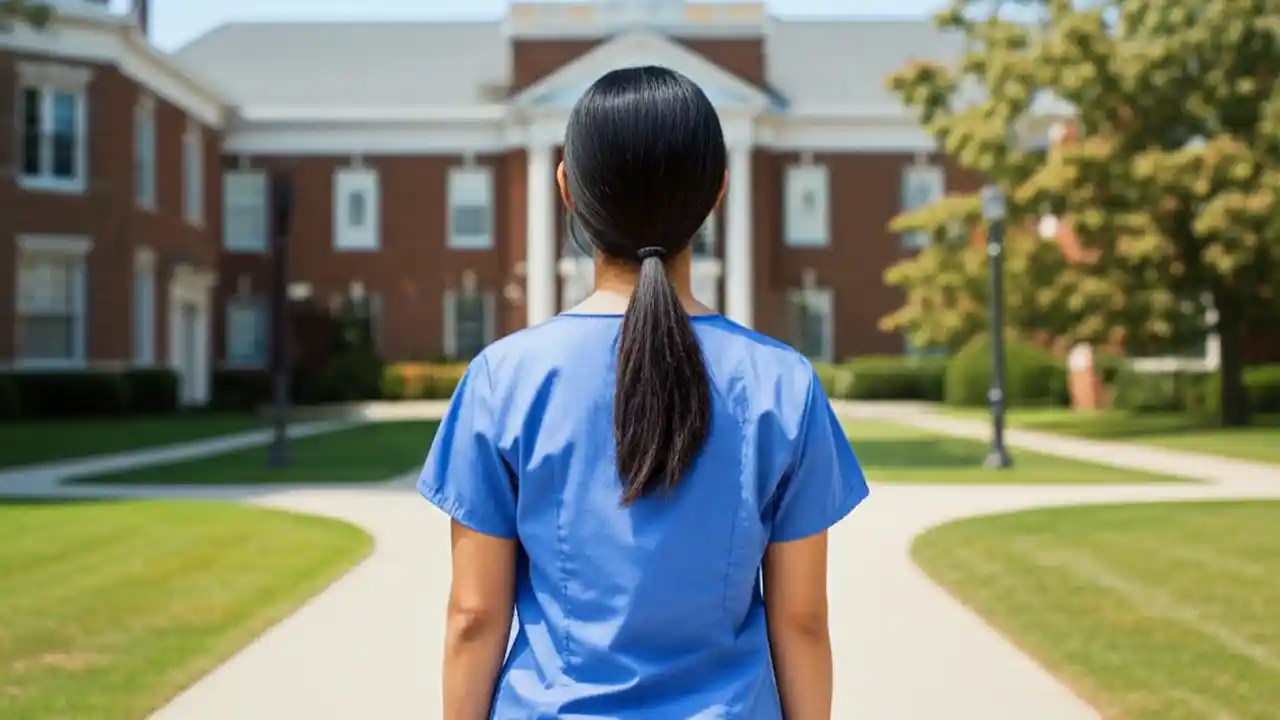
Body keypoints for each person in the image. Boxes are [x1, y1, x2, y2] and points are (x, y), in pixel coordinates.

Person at [418, 65, 868, 720]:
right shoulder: (783, 382)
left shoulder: (503, 378)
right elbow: (801, 622)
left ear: (566, 187)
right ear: (717, 191)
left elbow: (473, 616)